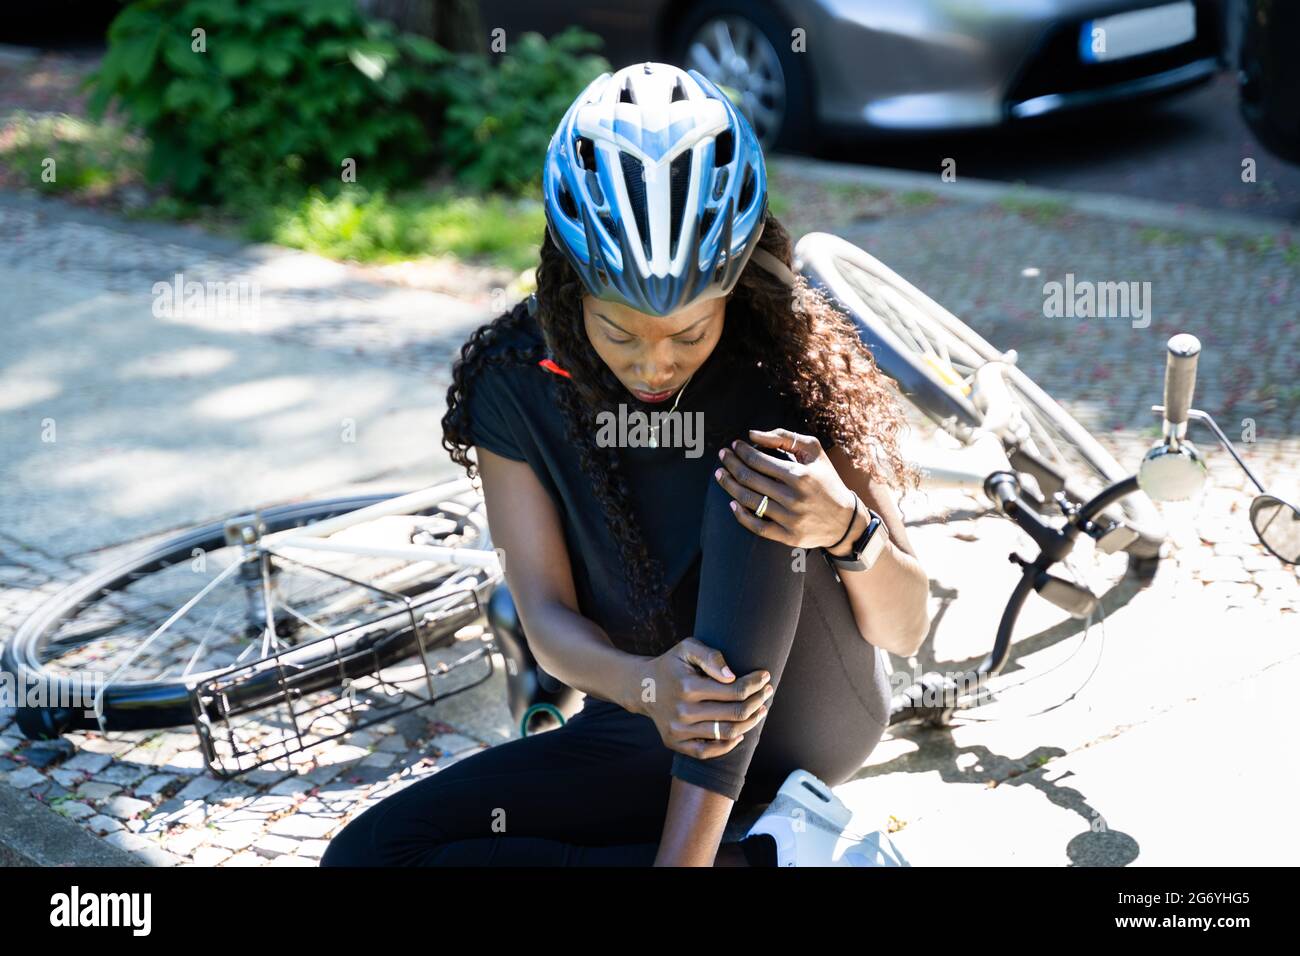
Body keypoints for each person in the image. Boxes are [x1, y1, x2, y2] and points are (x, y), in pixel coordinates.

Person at [321, 61, 930, 868]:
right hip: (644, 717)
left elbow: (905, 627)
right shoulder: (513, 381)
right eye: (619, 332)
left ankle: (687, 859)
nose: (654, 365)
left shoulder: (786, 364)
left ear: (731, 290)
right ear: (569, 285)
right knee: (371, 856)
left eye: (689, 333)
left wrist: (845, 527)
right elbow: (546, 620)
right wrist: (647, 684)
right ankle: (775, 859)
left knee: (759, 482)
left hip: (805, 715)